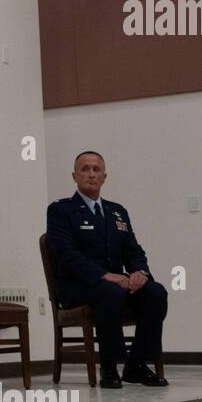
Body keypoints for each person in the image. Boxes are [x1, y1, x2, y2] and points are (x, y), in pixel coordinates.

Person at [45, 151, 168, 388]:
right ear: (74, 175)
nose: (91, 174)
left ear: (104, 177)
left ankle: (137, 365)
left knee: (155, 292)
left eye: (96, 169)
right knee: (109, 291)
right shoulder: (61, 210)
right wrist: (106, 276)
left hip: (116, 286)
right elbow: (67, 255)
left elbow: (133, 250)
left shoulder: (117, 211)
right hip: (77, 286)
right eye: (85, 169)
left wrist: (139, 272)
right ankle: (109, 365)